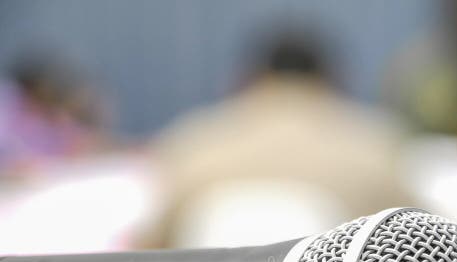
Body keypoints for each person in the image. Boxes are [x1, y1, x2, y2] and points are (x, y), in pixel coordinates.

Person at [146, 28, 411, 248]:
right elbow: (418, 242)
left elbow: (151, 248)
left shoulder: (193, 142)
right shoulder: (374, 143)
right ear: (335, 79)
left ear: (246, 79)